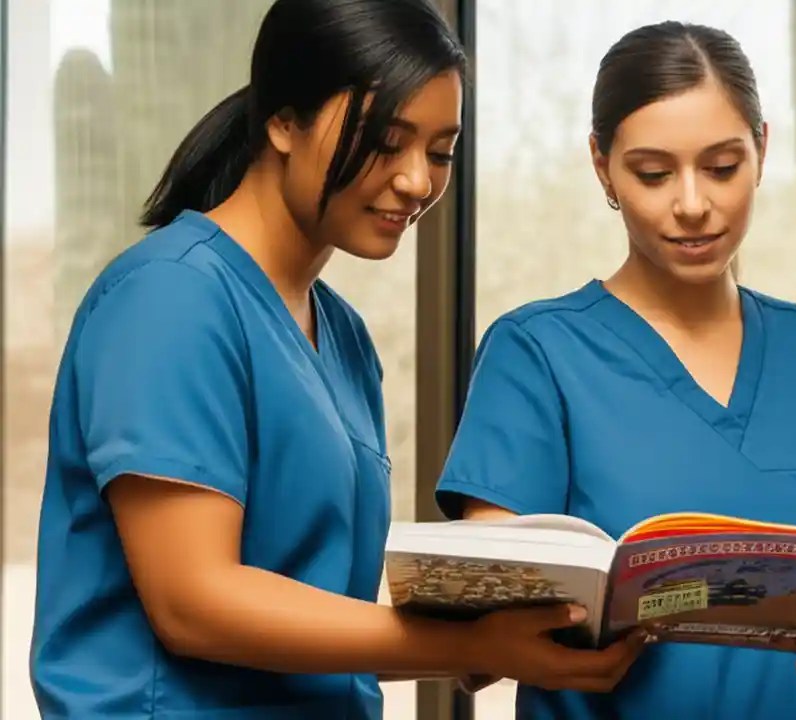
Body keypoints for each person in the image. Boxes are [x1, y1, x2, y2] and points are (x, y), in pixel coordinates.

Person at [29, 1, 642, 717]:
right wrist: (468, 648)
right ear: (284, 121)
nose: (418, 181)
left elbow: (318, 628)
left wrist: (507, 627)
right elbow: (192, 602)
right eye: (386, 142)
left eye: (440, 152)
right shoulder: (169, 297)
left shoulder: (343, 338)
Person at [434, 20, 796, 720]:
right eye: (652, 173)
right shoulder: (539, 355)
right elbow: (477, 649)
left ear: (762, 150)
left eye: (722, 166)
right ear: (601, 166)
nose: (692, 204)